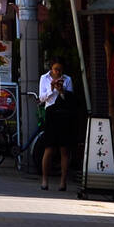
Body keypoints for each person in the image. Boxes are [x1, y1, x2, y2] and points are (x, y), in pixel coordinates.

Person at [38, 60, 75, 190]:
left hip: (64, 114)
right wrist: (51, 89)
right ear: (51, 69)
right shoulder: (44, 78)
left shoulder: (67, 79)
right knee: (49, 148)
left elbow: (70, 99)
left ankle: (63, 182)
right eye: (55, 69)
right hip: (51, 113)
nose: (58, 72)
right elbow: (42, 98)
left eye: (60, 69)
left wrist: (61, 91)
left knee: (64, 149)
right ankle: (44, 180)